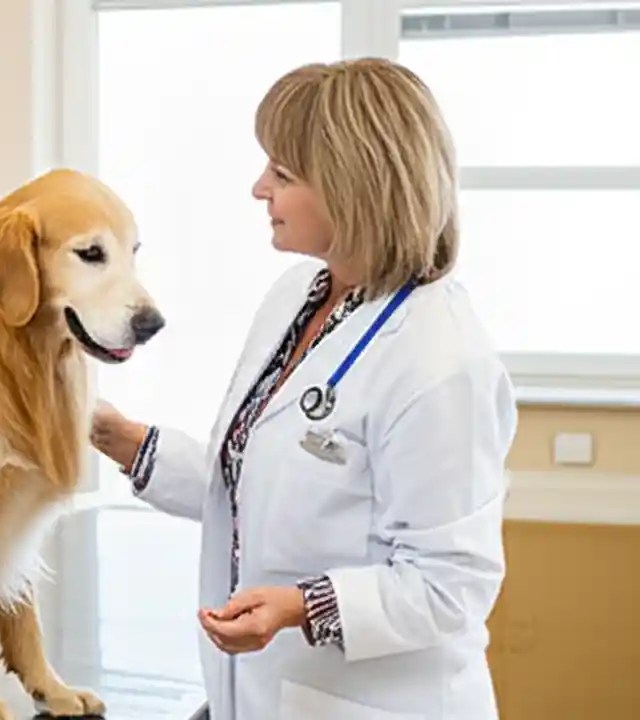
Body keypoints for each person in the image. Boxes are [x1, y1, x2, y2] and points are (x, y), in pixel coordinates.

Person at [91, 57, 517, 719]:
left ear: (354, 189)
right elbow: (254, 481)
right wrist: (111, 433)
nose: (259, 188)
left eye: (283, 174)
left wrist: (299, 606)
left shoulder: (440, 361)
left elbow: (448, 586)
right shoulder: (298, 296)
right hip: (263, 696)